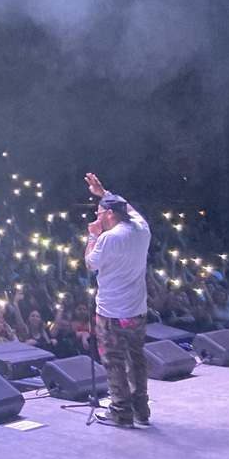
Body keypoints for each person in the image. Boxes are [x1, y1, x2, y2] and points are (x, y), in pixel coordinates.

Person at [84, 173, 152, 428]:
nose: (97, 218)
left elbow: (90, 264)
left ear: (110, 215)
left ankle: (121, 413)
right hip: (137, 311)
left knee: (114, 362)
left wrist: (92, 236)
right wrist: (104, 193)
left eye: (100, 212)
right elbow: (130, 207)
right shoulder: (141, 228)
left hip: (112, 313)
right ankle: (141, 410)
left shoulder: (108, 238)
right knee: (136, 359)